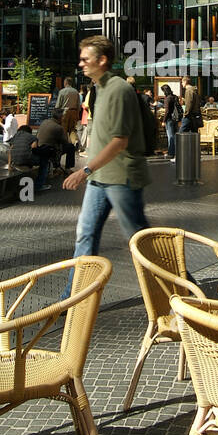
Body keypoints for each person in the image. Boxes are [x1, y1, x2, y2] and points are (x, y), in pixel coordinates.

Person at [62, 35, 150, 295]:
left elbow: (119, 141)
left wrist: (84, 170)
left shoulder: (118, 89)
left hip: (121, 177)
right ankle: (74, 297)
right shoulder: (98, 89)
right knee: (85, 235)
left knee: (139, 240)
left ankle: (181, 288)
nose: (81, 64)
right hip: (100, 177)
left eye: (85, 59)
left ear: (102, 60)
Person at [38, 107, 76, 173]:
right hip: (49, 150)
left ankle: (56, 165)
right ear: (61, 117)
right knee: (71, 147)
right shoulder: (58, 128)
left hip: (39, 148)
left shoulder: (44, 122)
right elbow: (65, 142)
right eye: (64, 116)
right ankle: (67, 168)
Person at [161, 84, 180, 161]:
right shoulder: (175, 97)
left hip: (169, 119)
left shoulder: (167, 98)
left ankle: (171, 153)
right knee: (175, 136)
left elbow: (167, 111)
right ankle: (176, 152)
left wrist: (163, 120)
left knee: (170, 136)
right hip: (176, 118)